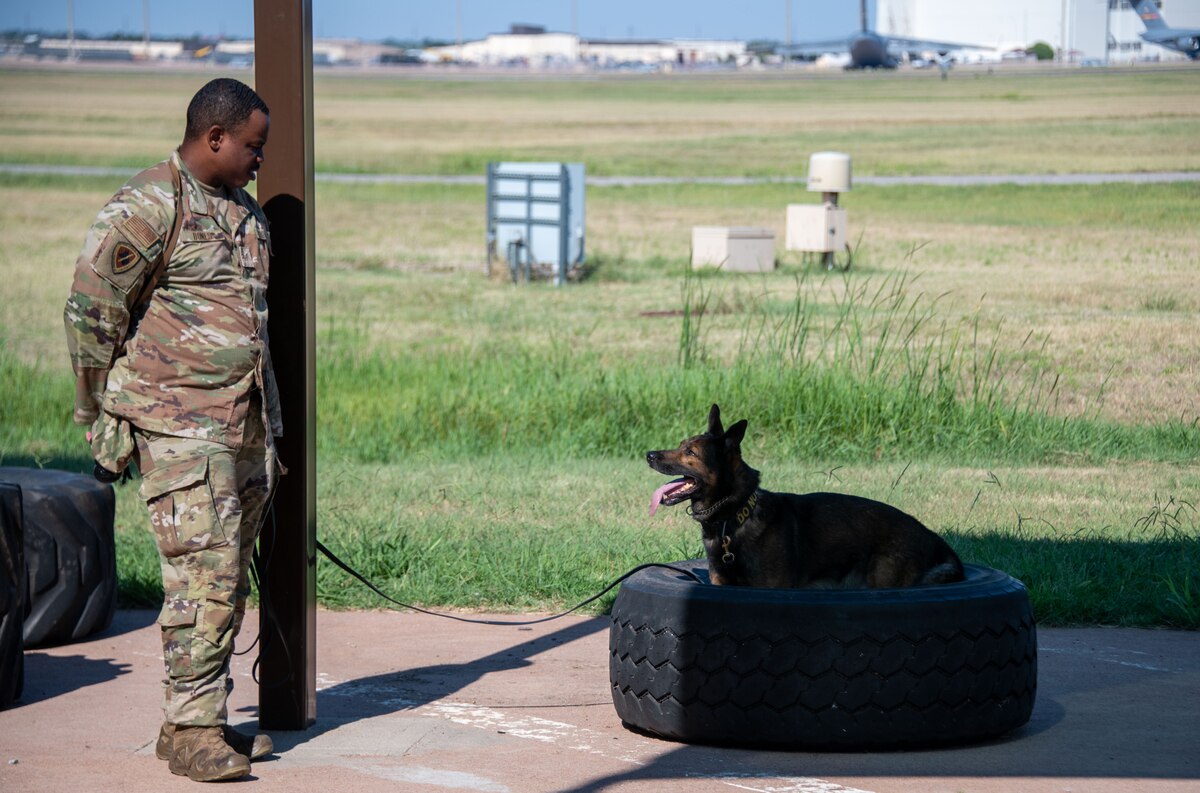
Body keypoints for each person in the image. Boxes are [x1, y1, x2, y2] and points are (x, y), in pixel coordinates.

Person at [63, 78, 283, 783]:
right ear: (213, 138)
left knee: (225, 581)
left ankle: (193, 722)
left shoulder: (247, 215)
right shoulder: (149, 205)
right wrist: (99, 414)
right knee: (202, 581)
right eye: (252, 146)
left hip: (240, 430)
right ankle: (194, 730)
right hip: (180, 429)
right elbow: (91, 313)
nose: (259, 160)